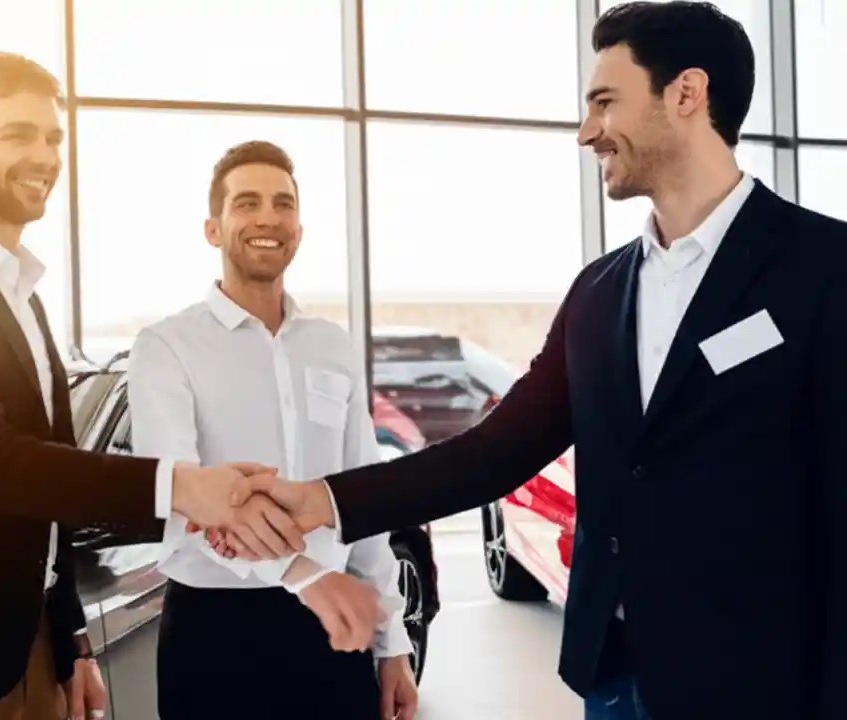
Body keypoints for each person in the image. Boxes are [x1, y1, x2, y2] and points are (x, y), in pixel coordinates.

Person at [224, 3, 847, 719]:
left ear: (686, 94)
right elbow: (496, 451)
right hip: (616, 677)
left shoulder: (825, 270)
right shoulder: (599, 292)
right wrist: (326, 502)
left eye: (605, 102)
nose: (587, 132)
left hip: (766, 684)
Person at [0, 52, 295, 720]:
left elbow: (43, 507)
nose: (46, 155)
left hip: (30, 652)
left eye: (53, 137)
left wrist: (71, 641)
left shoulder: (20, 295)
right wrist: (179, 485)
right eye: (18, 134)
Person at [127, 141, 418, 720]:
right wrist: (302, 575)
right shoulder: (165, 348)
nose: (267, 218)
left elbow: (364, 499)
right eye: (247, 203)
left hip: (332, 630)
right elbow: (182, 504)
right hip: (216, 634)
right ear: (214, 228)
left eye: (283, 204)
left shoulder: (330, 346)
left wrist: (393, 646)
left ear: (299, 229)